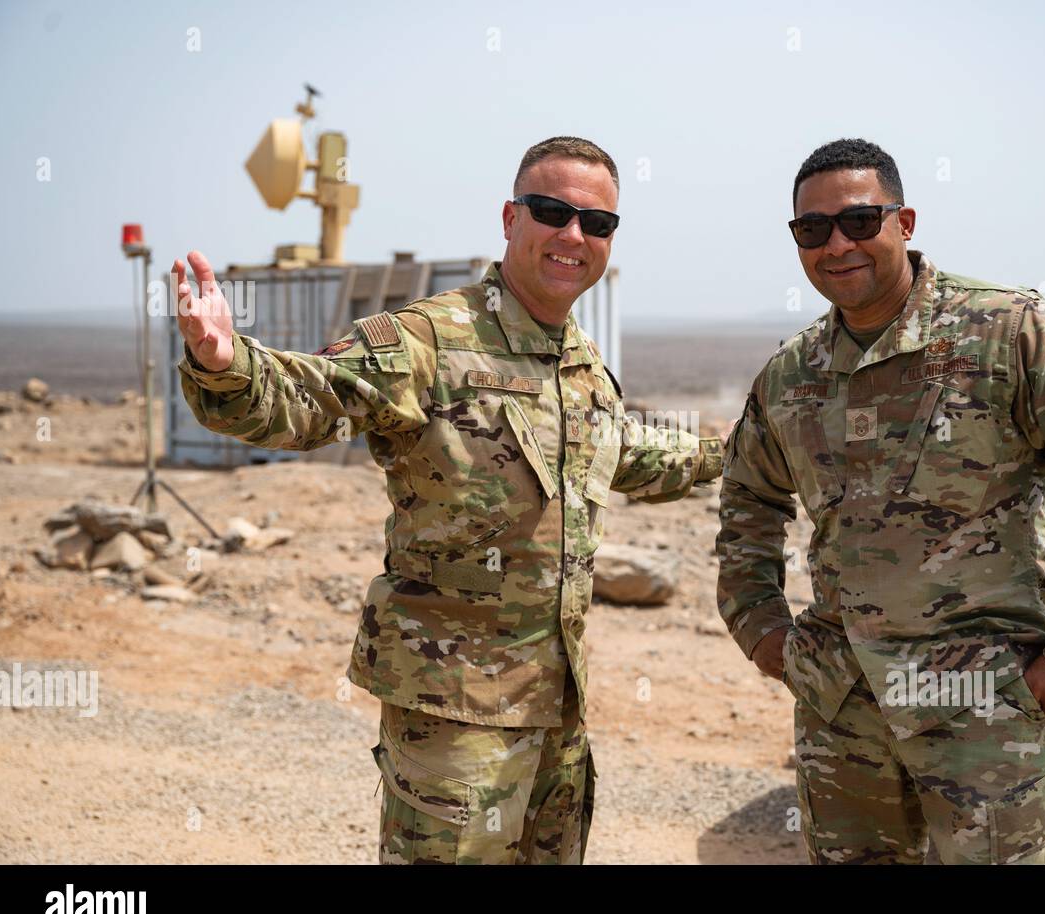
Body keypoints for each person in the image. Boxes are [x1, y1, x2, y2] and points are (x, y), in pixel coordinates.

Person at [176, 136, 723, 864]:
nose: (573, 236)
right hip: (454, 715)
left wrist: (740, 447)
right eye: (552, 211)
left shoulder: (579, 363)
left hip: (556, 710)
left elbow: (626, 451)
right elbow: (307, 400)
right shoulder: (428, 340)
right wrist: (226, 364)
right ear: (510, 218)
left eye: (597, 223)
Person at [716, 138, 1045, 864]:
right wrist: (764, 632)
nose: (837, 244)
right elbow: (747, 501)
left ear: (904, 223)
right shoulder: (792, 374)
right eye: (813, 230)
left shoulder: (1010, 333)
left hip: (983, 711)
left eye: (860, 221)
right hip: (844, 713)